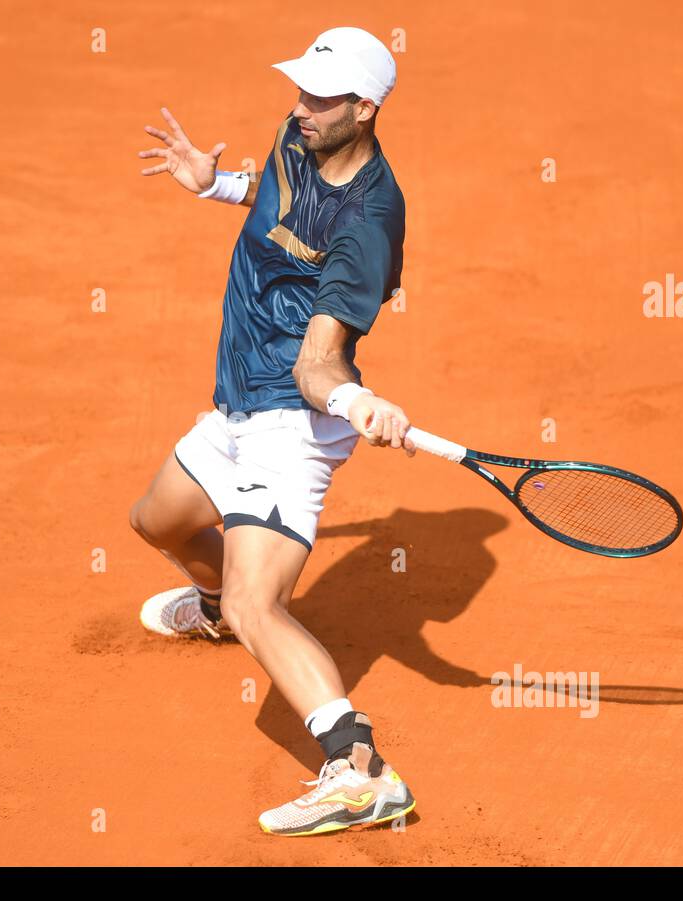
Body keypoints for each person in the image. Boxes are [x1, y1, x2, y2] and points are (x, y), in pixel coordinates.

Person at [131, 26, 417, 836]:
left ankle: (361, 772)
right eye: (299, 90)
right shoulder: (305, 134)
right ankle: (216, 609)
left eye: (321, 99)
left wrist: (356, 403)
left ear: (365, 110)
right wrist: (215, 183)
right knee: (159, 520)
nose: (300, 108)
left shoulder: (370, 226)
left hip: (295, 419)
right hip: (238, 398)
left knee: (266, 605)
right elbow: (279, 196)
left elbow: (319, 364)